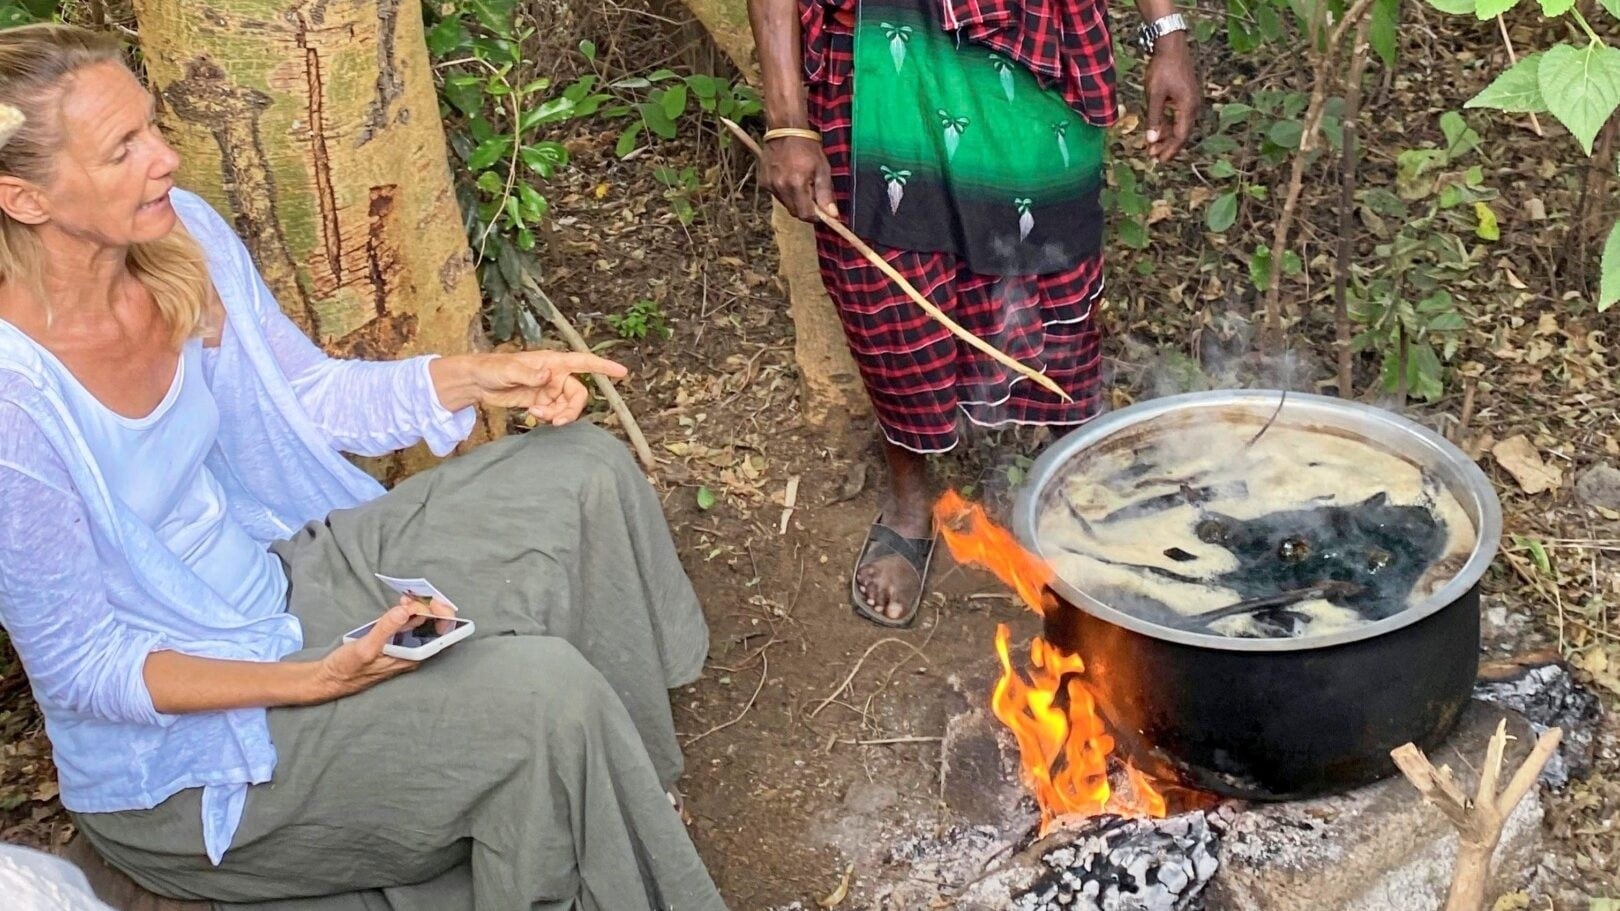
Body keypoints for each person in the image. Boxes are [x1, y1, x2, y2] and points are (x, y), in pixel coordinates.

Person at [0, 23, 726, 911]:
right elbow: (86, 668)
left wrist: (474, 376)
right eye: (124, 148)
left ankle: (625, 805)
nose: (167, 158)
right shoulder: (12, 403)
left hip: (277, 580)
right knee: (545, 699)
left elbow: (306, 392)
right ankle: (590, 823)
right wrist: (313, 680)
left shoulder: (176, 235)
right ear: (24, 197)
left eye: (152, 125)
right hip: (186, 758)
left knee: (582, 472)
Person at [746, 0, 1202, 625]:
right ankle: (911, 502)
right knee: (889, 303)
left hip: (1031, 58)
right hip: (880, 60)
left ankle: (1082, 482)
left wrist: (1167, 33)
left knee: (1056, 276)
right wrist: (786, 124)